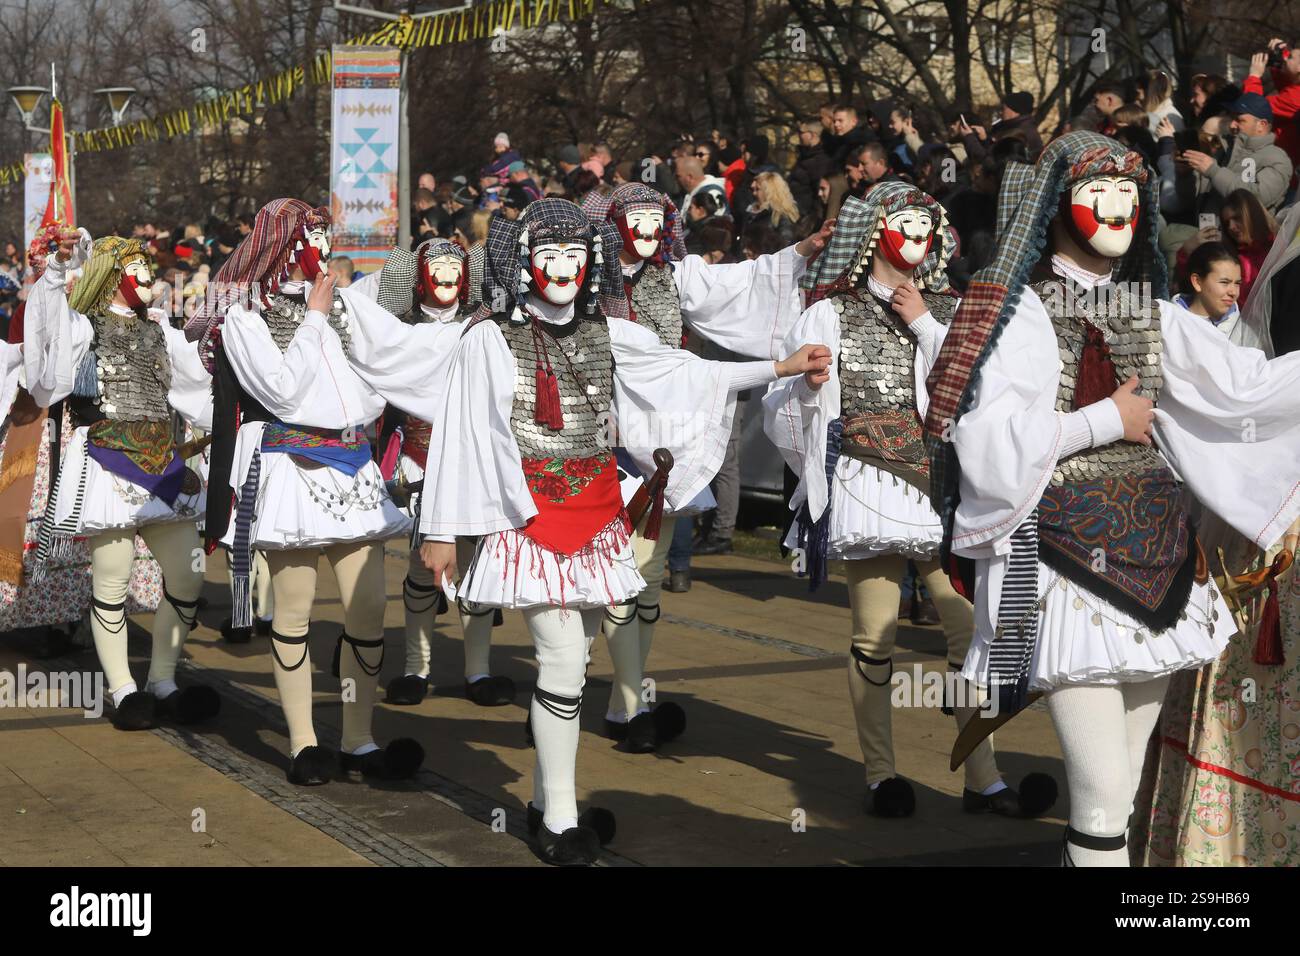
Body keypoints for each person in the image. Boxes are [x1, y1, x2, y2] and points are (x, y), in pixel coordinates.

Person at [407, 198, 830, 864]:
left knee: (570, 664)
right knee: (564, 660)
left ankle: (550, 801)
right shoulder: (489, 336)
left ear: (593, 260)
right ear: (524, 261)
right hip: (531, 518)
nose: (564, 268)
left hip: (598, 511)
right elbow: (463, 429)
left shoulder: (611, 331)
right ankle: (560, 817)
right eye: (549, 255)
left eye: (576, 255)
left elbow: (688, 373)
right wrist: (440, 530)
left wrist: (779, 368)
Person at [924, 130, 1300, 866]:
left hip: (1158, 562)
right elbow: (988, 440)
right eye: (1101, 193)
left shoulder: (1150, 311)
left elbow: (1244, 391)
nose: (1121, 207)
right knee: (1098, 801)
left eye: (1132, 193)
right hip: (1067, 569)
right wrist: (1104, 421)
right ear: (1060, 206)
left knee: (1118, 797)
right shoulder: (1021, 312)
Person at [765, 182, 1055, 820]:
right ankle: (881, 775)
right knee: (875, 633)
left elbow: (976, 391)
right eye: (905, 222)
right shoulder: (830, 310)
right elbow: (785, 406)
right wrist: (813, 393)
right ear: (874, 231)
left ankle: (983, 777)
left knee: (965, 629)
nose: (918, 235)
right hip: (869, 483)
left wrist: (925, 320)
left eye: (927, 224)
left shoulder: (948, 307)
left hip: (944, 487)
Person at [583, 182, 830, 751]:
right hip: (600, 436)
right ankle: (568, 688)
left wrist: (801, 253)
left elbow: (740, 284)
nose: (647, 232)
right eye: (635, 221)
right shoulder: (585, 277)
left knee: (644, 578)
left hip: (659, 435)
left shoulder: (675, 273)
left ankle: (627, 704)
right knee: (599, 580)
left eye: (655, 220)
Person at [185, 198, 423, 787]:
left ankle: (360, 738)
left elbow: (391, 361)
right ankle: (303, 741)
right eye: (311, 235)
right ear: (284, 246)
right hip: (290, 464)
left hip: (353, 464)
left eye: (323, 234)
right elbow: (285, 391)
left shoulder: (345, 305)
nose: (321, 246)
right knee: (292, 609)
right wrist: (315, 318)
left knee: (367, 606)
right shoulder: (244, 318)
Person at [23, 230, 217, 731]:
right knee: (112, 575)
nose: (149, 276)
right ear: (113, 274)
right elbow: (50, 337)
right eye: (137, 267)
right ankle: (123, 689)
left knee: (188, 575)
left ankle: (163, 680)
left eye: (149, 267)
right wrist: (55, 273)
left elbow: (198, 386)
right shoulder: (85, 328)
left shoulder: (162, 330)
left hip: (163, 461)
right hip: (108, 461)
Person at [357, 237, 512, 709]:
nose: (447, 273)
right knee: (423, 569)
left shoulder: (484, 325)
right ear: (420, 272)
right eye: (437, 265)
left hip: (473, 458)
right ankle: (415, 668)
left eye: (455, 265)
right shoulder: (399, 327)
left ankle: (479, 670)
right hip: (418, 460)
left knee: (476, 566)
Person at [1177, 92, 1293, 216]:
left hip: (1243, 234)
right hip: (1203, 229)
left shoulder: (1277, 159)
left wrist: (1214, 172)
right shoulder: (1225, 148)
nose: (1232, 125)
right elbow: (1193, 198)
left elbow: (1257, 198)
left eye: (1239, 120)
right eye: (1232, 118)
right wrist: (1186, 175)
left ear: (1261, 125)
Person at [1244, 38, 1300, 171]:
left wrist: (1254, 76)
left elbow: (1253, 109)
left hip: (1277, 171)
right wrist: (1276, 61)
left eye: (1290, 57)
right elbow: (1287, 90)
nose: (1286, 59)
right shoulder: (1295, 92)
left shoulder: (1295, 97)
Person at [1174, 242, 1242, 333]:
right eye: (1224, 282)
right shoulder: (1167, 326)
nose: (1233, 292)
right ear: (1197, 282)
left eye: (1237, 283)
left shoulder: (1246, 334)